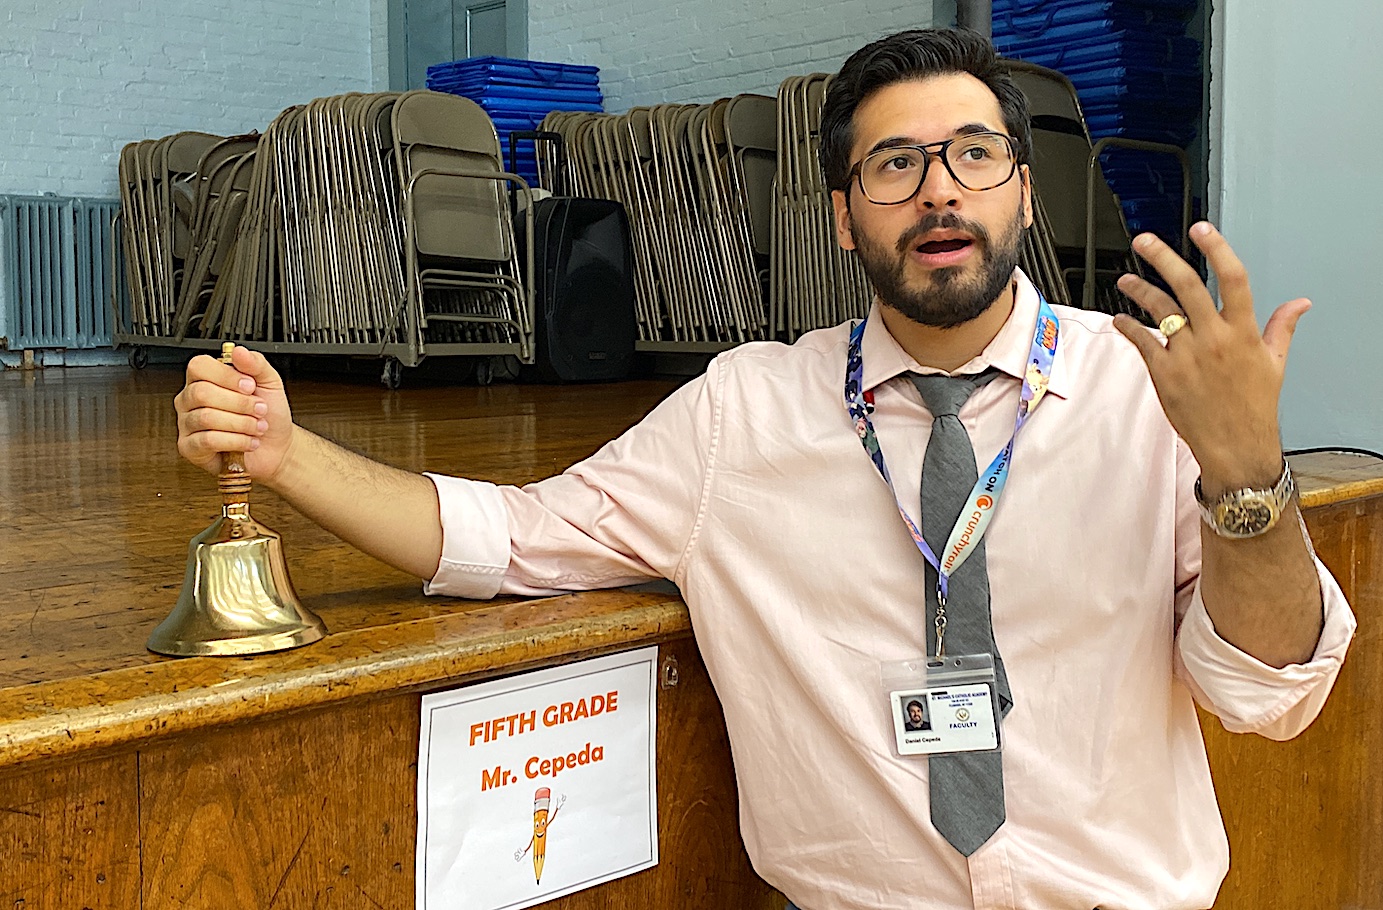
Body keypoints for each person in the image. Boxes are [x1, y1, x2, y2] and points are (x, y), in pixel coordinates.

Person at [175, 28, 1354, 910]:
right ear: (845, 217)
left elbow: (1269, 693)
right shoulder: (744, 411)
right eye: (895, 164)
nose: (938, 187)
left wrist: (1246, 466)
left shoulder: (1145, 392)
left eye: (973, 154)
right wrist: (286, 453)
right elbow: (510, 536)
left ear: (1023, 193)